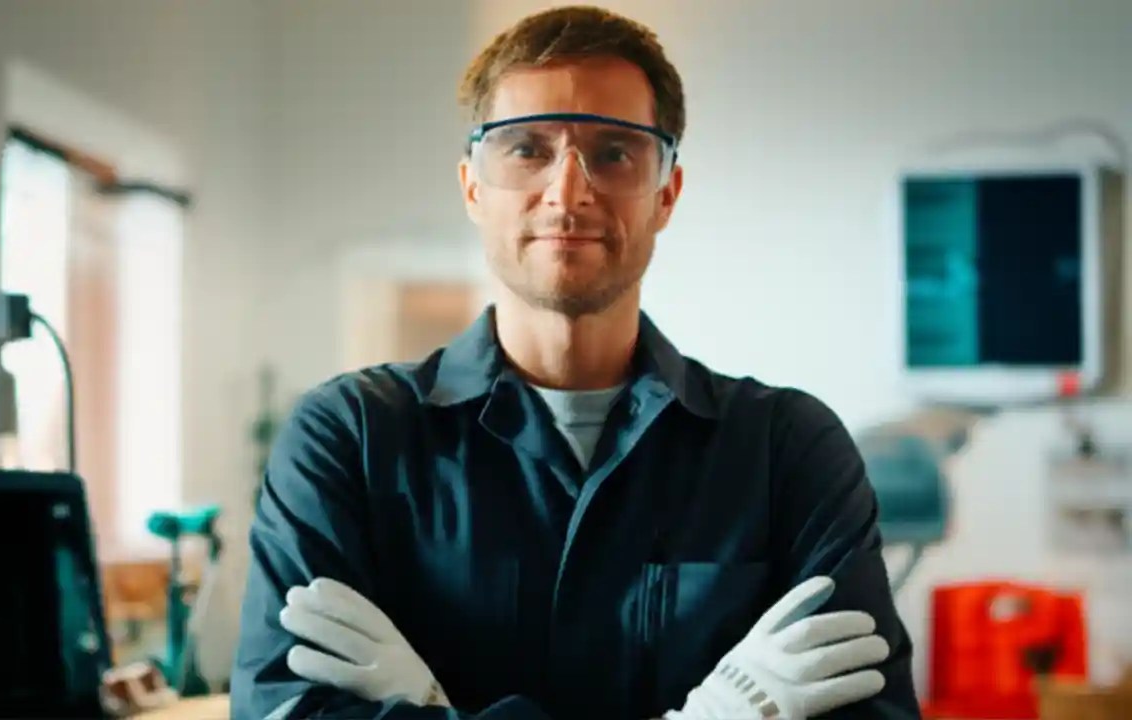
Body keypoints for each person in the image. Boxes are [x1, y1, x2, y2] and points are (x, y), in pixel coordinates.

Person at [232, 6, 921, 719]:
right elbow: (280, 708)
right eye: (527, 148)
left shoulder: (788, 450)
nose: (568, 192)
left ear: (666, 194)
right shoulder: (350, 439)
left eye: (615, 152)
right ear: (473, 186)